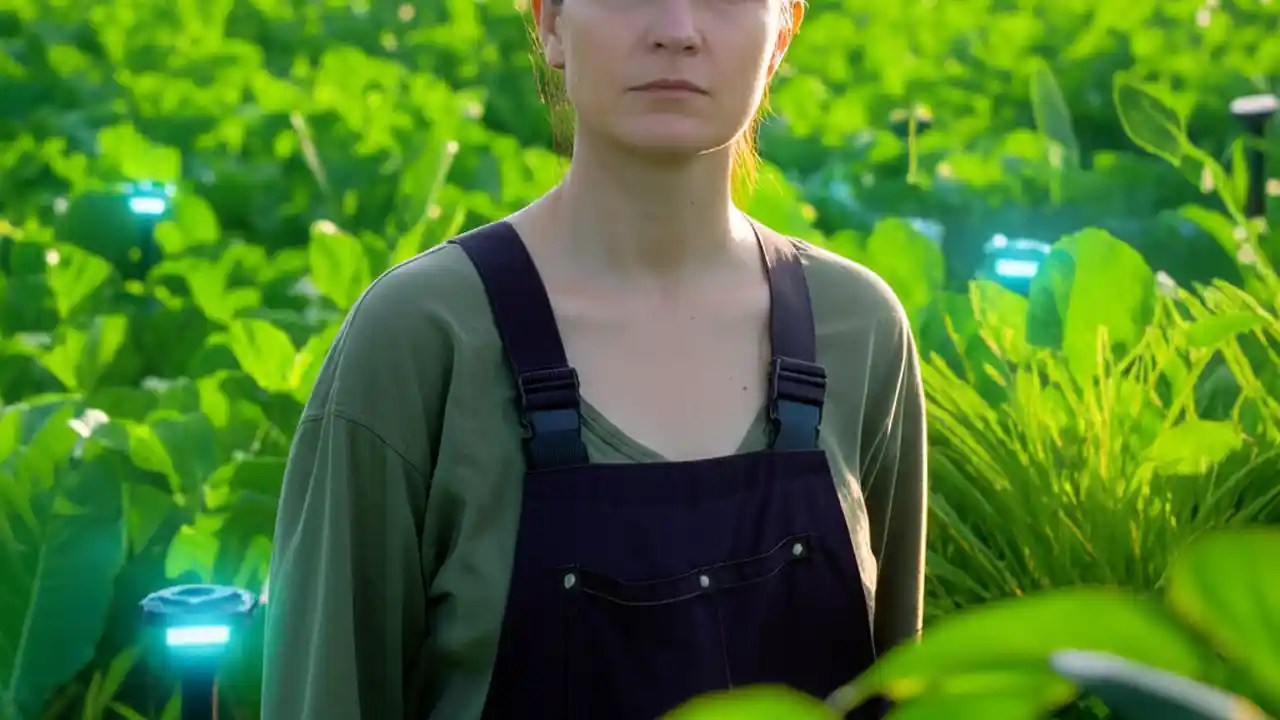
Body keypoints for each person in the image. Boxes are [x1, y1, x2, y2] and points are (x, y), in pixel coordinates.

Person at [260, 0, 927, 717]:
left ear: (783, 33)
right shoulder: (422, 335)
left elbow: (900, 686)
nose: (676, 30)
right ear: (549, 23)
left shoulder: (858, 328)